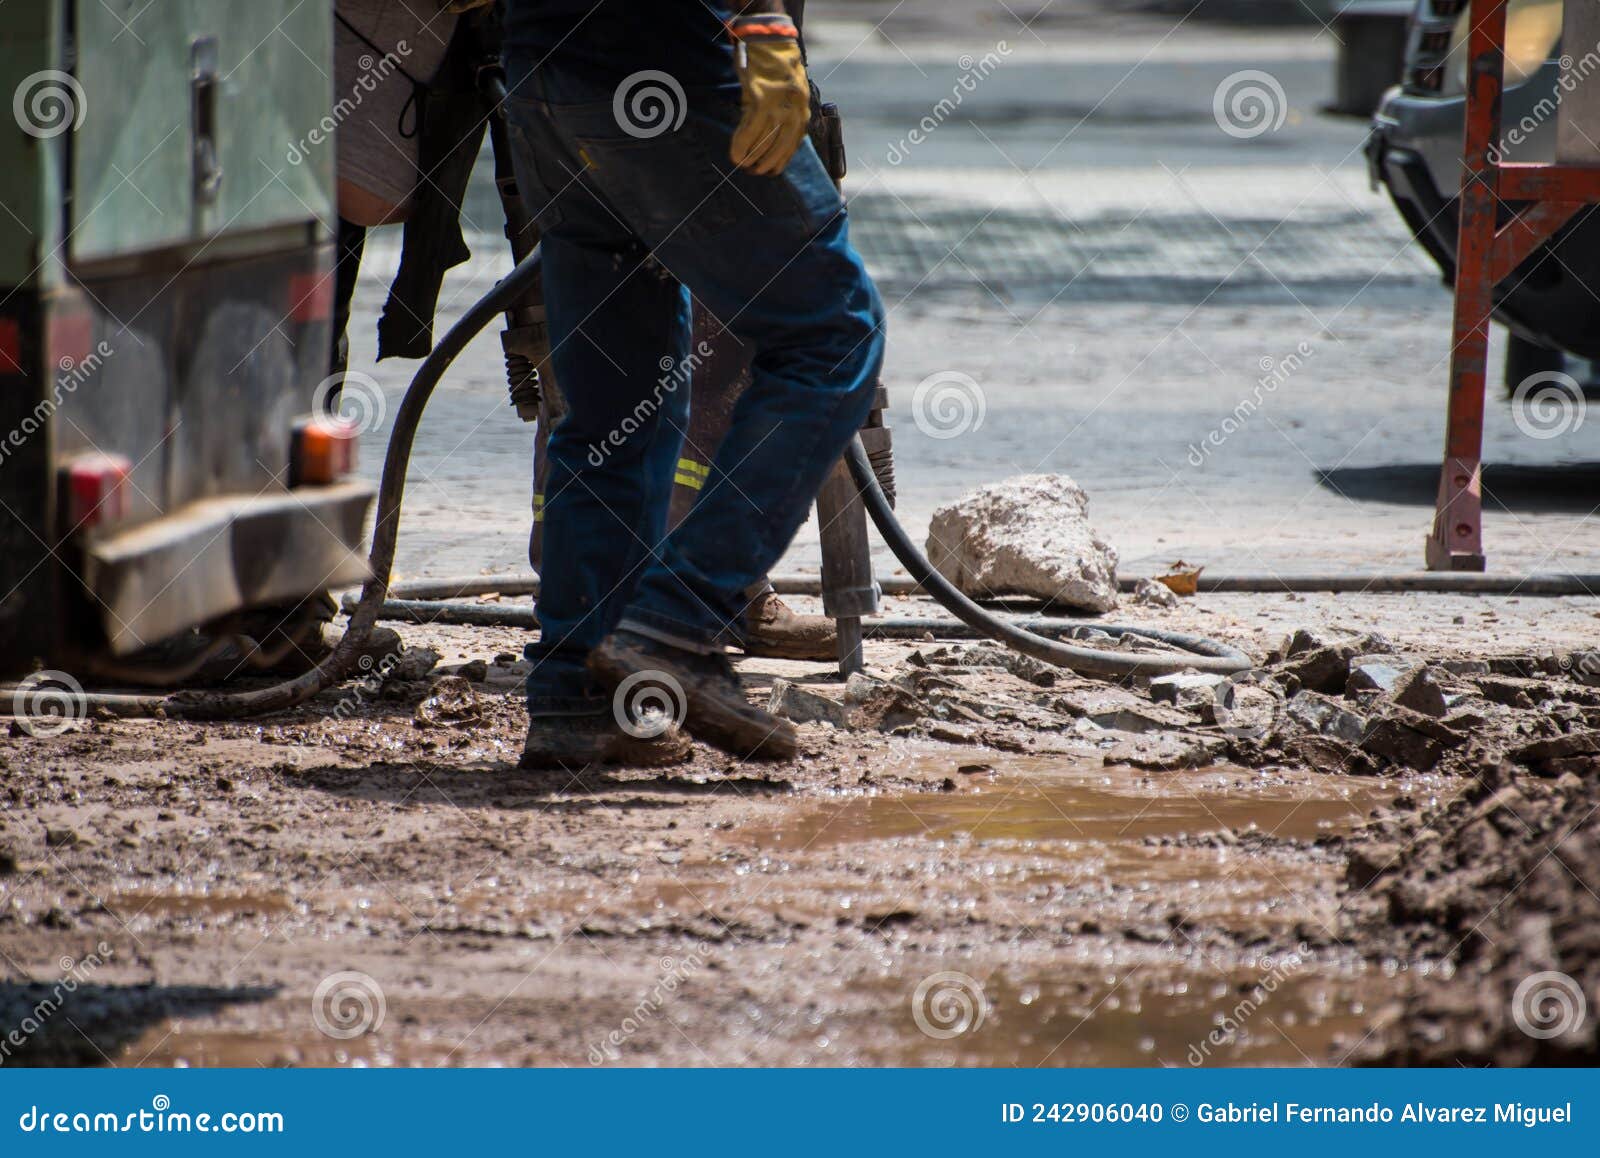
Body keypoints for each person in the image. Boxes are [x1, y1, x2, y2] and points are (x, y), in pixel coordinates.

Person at [503, 0, 886, 768]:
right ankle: (678, 625)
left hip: (543, 71)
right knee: (832, 334)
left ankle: (581, 702)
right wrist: (768, 24)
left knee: (619, 400)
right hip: (666, 53)